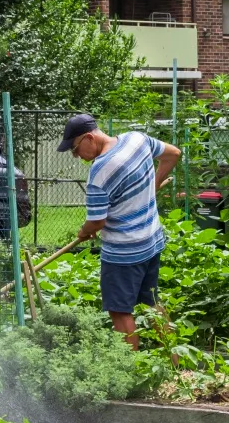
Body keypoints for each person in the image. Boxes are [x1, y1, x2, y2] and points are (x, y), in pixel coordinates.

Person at [61, 114, 180, 348]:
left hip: (124, 253)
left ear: (88, 138)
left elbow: (96, 222)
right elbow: (173, 154)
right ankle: (178, 364)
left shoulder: (100, 171)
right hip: (151, 241)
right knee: (152, 303)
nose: (76, 156)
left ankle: (129, 374)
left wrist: (84, 231)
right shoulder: (136, 139)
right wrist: (154, 183)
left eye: (75, 150)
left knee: (119, 312)